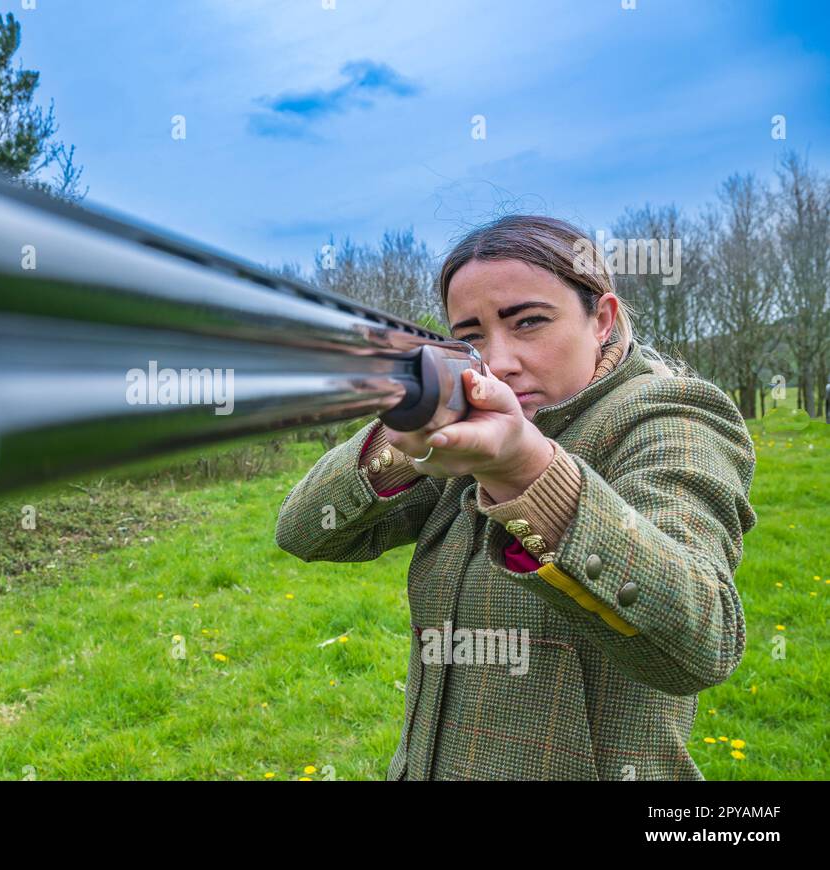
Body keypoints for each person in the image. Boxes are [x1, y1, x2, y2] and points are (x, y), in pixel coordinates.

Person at [274, 215, 758, 780]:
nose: (497, 360)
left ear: (602, 319)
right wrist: (411, 427)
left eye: (528, 322)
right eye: (471, 335)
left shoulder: (672, 417)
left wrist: (528, 472)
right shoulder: (472, 428)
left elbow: (704, 639)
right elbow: (305, 530)